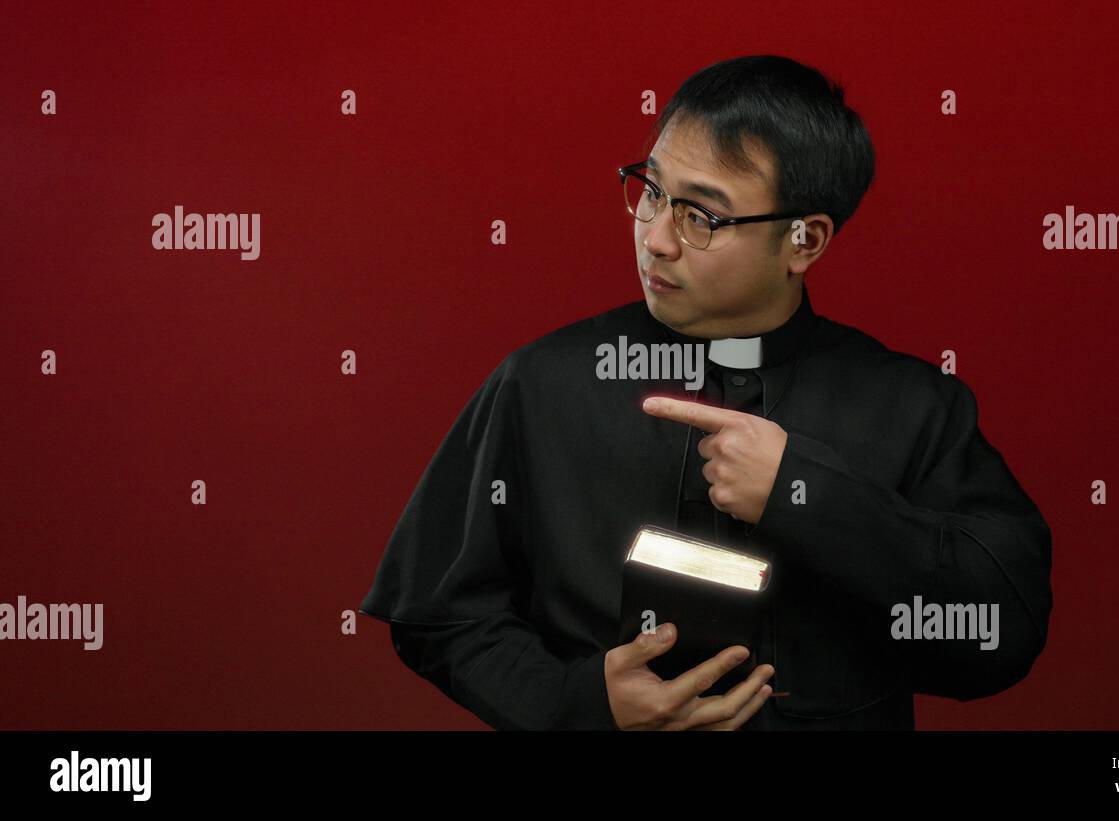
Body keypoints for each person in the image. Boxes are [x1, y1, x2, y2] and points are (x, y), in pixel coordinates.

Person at [359, 54, 1052, 730]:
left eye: (702, 217)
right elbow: (437, 614)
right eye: (653, 191)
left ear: (804, 240)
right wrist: (580, 704)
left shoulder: (913, 405)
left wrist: (803, 492)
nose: (656, 238)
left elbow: (1001, 633)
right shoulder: (541, 380)